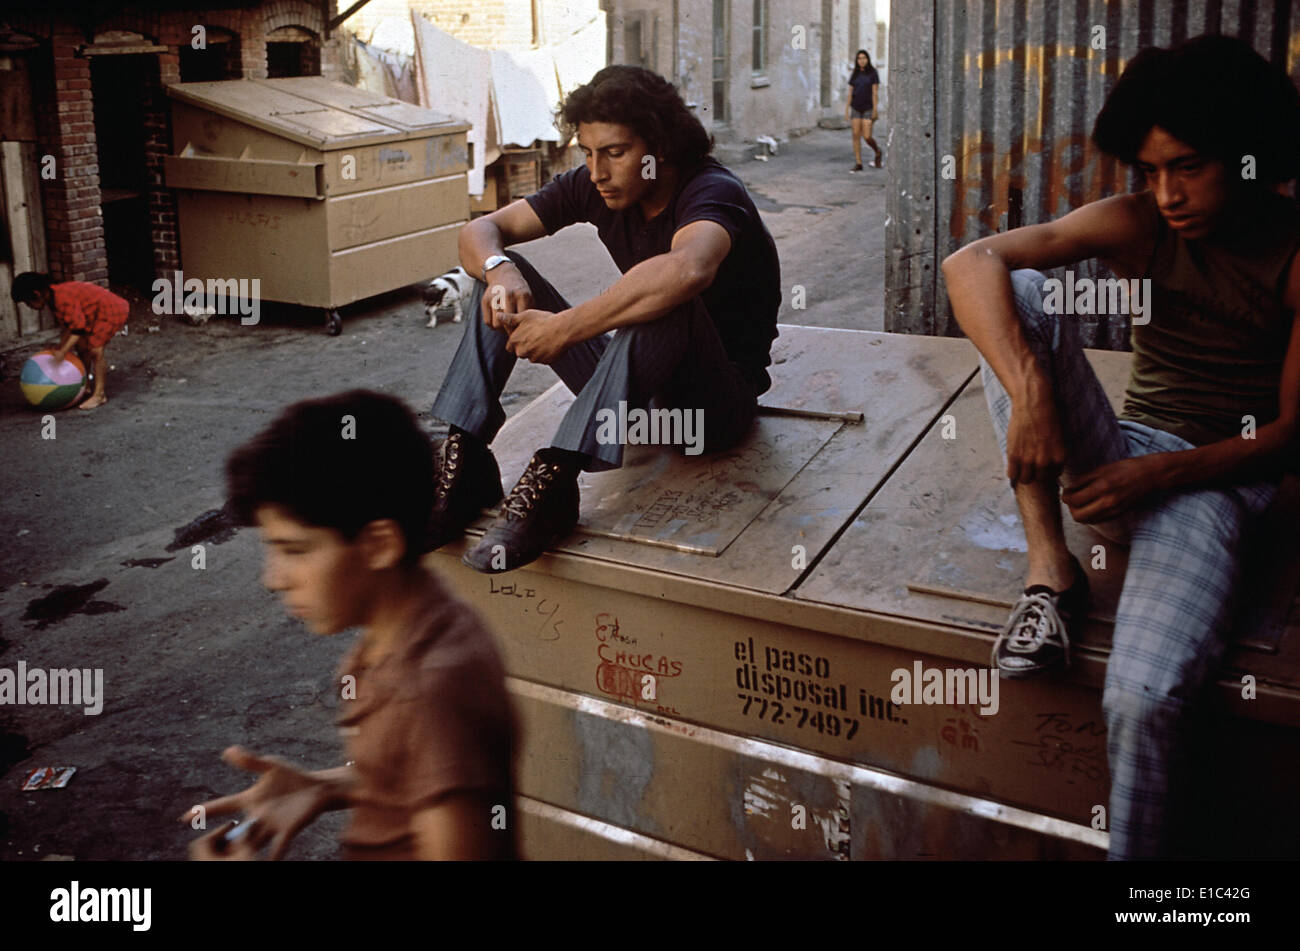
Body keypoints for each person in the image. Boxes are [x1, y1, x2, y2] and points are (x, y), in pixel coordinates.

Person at [941, 34, 1300, 859]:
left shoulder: (1291, 254)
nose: (1166, 194)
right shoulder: (1142, 223)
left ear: (1251, 158)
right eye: (1150, 171)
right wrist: (1033, 393)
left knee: (1143, 697)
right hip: (1117, 454)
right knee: (1019, 289)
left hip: (1212, 484)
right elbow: (974, 260)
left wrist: (1163, 474)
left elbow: (1287, 439)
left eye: (1190, 167)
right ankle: (1050, 574)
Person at [427, 64, 782, 574]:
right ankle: (465, 459)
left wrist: (565, 328)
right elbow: (482, 228)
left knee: (665, 290)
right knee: (502, 274)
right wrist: (498, 268)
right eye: (587, 153)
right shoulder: (595, 186)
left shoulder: (712, 192)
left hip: (708, 412)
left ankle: (557, 475)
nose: (597, 172)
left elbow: (688, 269)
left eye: (615, 153)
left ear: (660, 148)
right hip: (632, 398)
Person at [185, 390, 518, 860]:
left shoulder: (431, 687)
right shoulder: (420, 627)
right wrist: (323, 787)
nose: (272, 579)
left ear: (379, 545)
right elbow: (413, 767)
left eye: (295, 550)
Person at [10, 272, 129, 410]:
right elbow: (69, 326)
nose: (29, 306)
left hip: (110, 310)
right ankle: (84, 387)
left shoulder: (62, 298)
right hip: (93, 312)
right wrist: (61, 346)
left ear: (37, 294)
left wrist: (63, 351)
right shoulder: (52, 297)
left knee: (96, 350)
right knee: (81, 347)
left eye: (27, 302)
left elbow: (77, 330)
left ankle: (99, 395)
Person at [845, 50, 881, 171]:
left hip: (868, 108)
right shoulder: (854, 74)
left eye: (864, 58)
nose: (862, 60)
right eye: (859, 58)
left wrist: (875, 110)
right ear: (857, 60)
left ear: (868, 59)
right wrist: (846, 109)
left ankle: (877, 151)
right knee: (855, 135)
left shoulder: (872, 73)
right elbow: (850, 93)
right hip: (855, 107)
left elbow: (875, 92)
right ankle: (858, 163)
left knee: (867, 136)